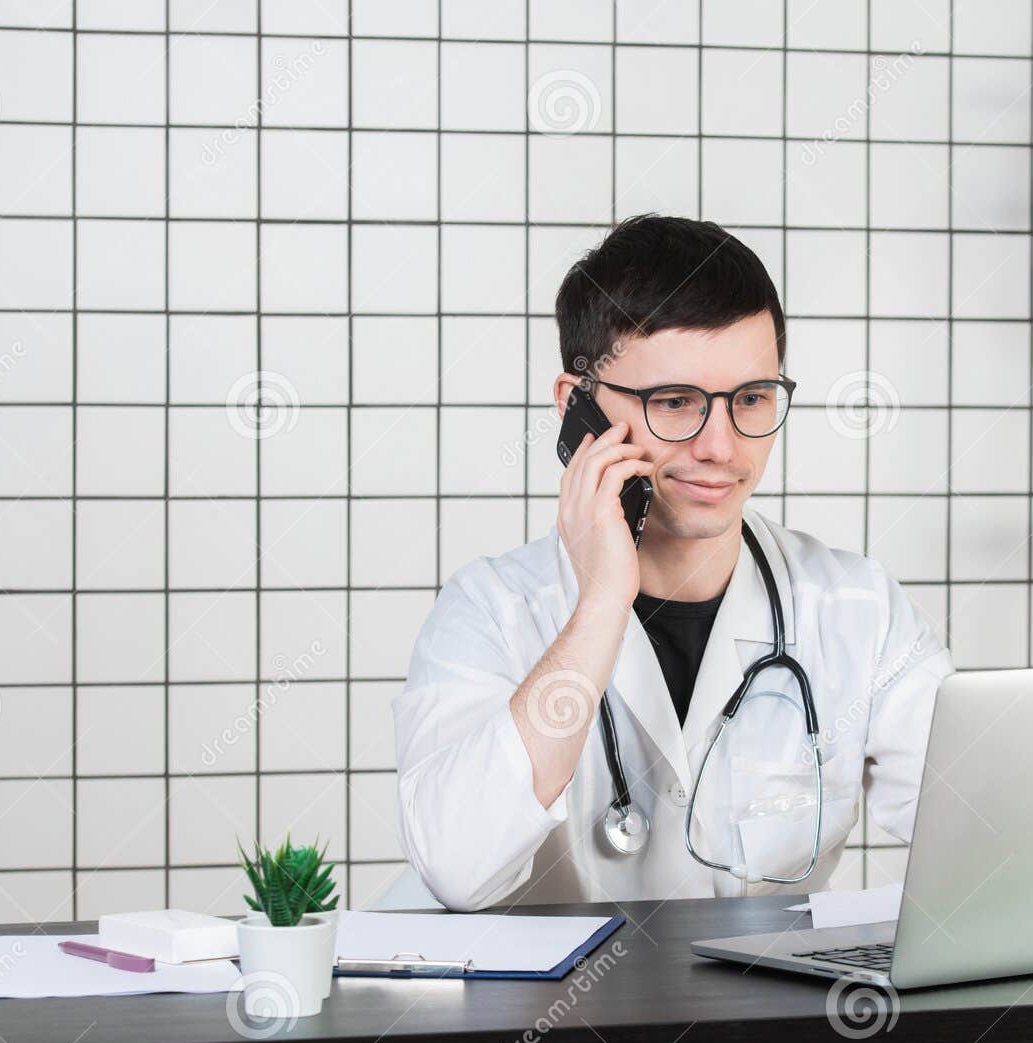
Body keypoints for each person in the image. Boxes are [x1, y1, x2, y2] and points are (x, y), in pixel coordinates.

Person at [390, 214, 954, 911]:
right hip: (547, 1021)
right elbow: (455, 865)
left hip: (761, 1017)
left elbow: (988, 834)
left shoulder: (857, 609)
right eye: (675, 402)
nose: (721, 444)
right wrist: (600, 604)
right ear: (578, 408)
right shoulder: (492, 611)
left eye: (751, 398)